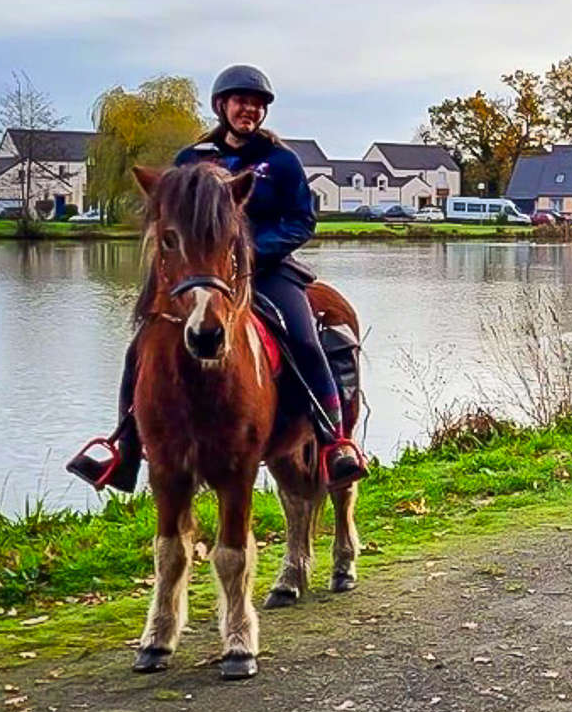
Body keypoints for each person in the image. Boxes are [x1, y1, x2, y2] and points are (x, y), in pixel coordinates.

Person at [67, 64, 369, 493]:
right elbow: (170, 215)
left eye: (257, 104)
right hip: (199, 274)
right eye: (240, 101)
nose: (249, 110)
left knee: (304, 339)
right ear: (222, 106)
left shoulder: (281, 162)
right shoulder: (191, 160)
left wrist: (252, 251)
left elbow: (302, 220)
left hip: (264, 270)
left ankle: (332, 441)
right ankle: (126, 448)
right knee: (141, 344)